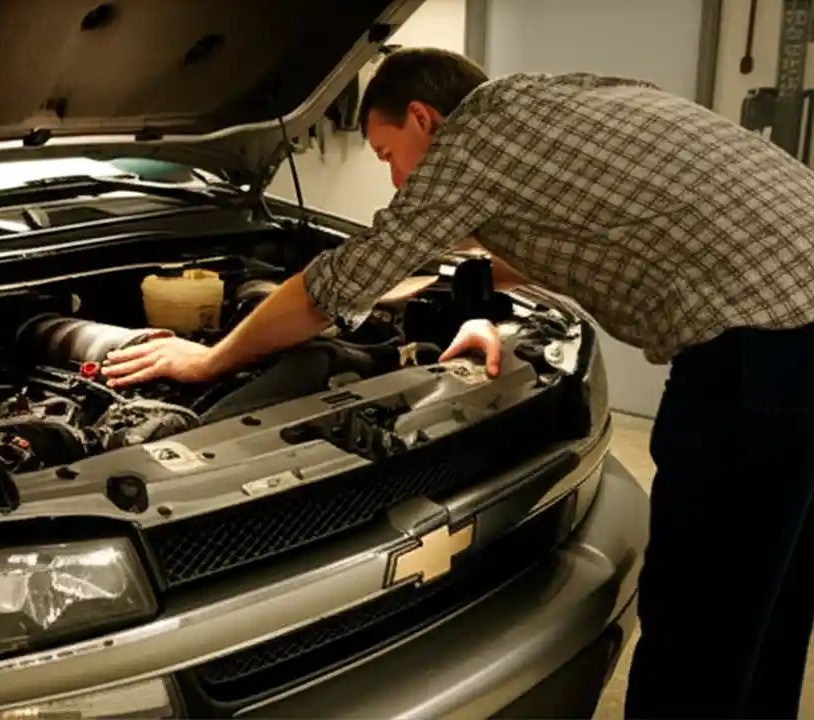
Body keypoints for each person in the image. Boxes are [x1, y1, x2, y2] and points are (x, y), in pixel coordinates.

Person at [101, 47, 814, 718]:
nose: (393, 178)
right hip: (796, 314)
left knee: (701, 611)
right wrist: (441, 305)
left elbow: (332, 288)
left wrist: (207, 361)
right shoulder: (555, 96)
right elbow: (583, 233)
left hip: (769, 351)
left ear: (422, 119)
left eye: (386, 155)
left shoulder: (471, 143)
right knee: (770, 595)